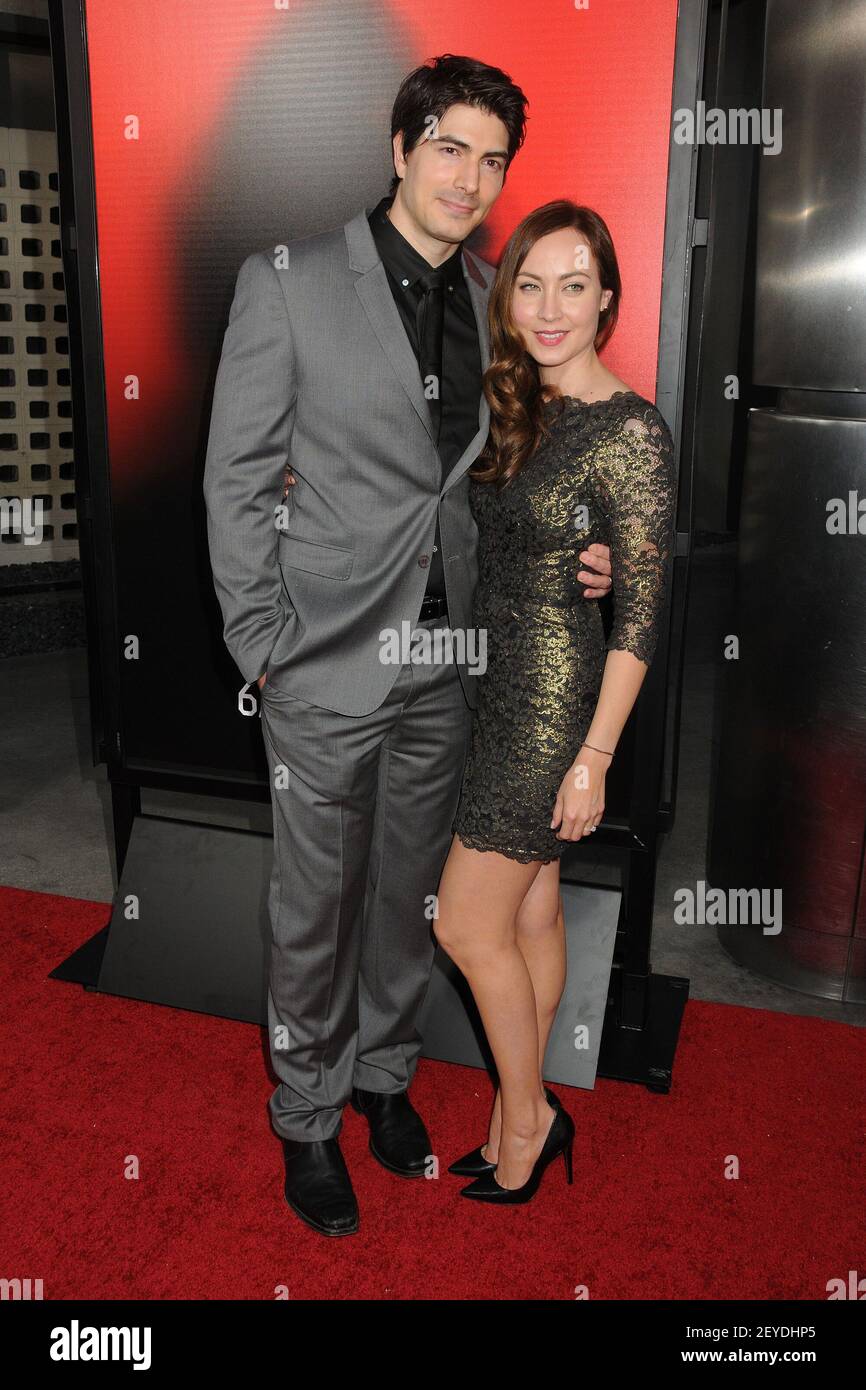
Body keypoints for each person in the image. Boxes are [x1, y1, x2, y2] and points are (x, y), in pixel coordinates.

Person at [203, 56, 613, 1239]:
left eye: (492, 160)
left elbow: (516, 477)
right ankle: (306, 1115)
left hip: (455, 660)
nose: (470, 178)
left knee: (405, 898)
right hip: (323, 660)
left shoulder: (499, 295)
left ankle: (381, 1080)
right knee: (312, 906)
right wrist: (260, 645)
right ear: (398, 149)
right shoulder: (285, 282)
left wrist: (584, 555)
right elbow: (233, 480)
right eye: (449, 149)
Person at [432, 200, 677, 1205]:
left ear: (605, 300)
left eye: (572, 285)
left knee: (461, 924)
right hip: (493, 685)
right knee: (529, 911)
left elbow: (642, 612)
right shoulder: (521, 403)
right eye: (528, 283)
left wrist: (594, 756)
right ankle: (510, 1111)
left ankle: (529, 1115)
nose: (548, 307)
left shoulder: (629, 431)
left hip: (551, 704)